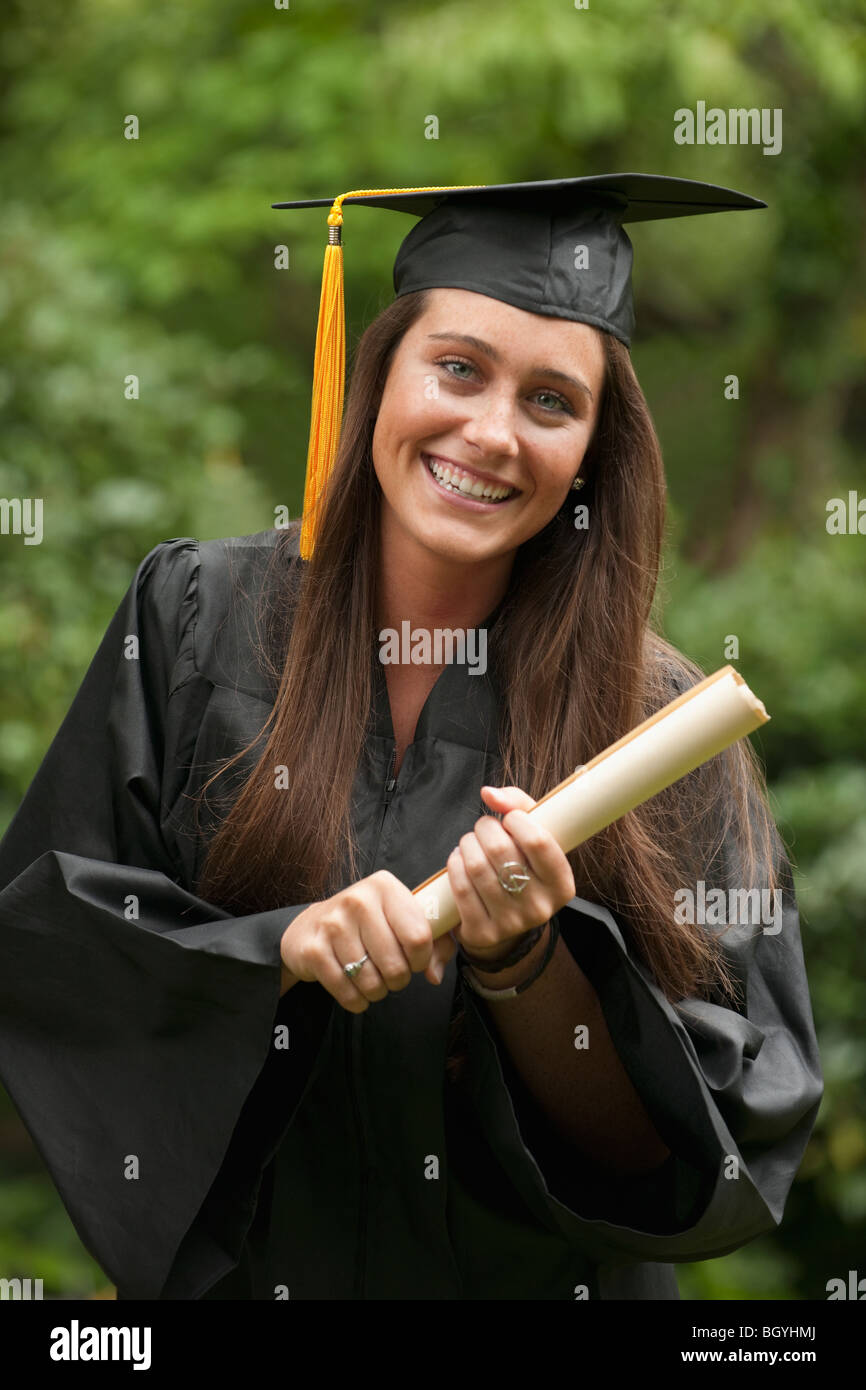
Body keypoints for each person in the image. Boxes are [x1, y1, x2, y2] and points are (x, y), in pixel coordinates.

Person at [0, 175, 823, 1301]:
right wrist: (277, 953)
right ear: (379, 368)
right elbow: (48, 943)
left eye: (549, 401)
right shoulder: (197, 618)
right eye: (457, 367)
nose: (488, 433)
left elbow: (692, 1155)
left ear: (592, 448)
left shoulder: (659, 729)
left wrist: (528, 966)